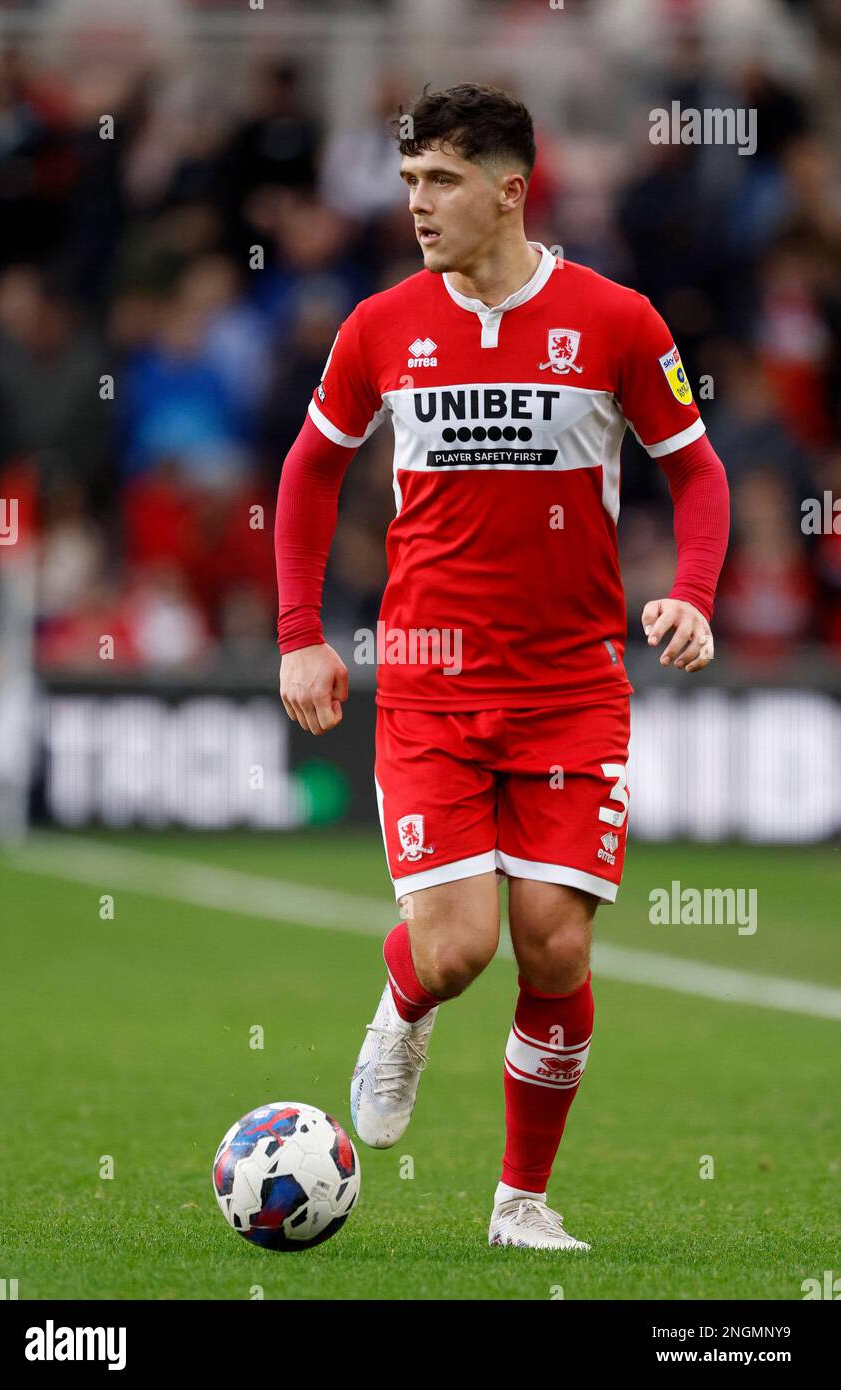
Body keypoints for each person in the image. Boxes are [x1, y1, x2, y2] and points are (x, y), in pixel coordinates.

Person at [275, 84, 729, 1251]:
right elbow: (309, 470)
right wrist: (298, 631)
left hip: (573, 687)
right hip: (427, 681)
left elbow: (699, 470)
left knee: (554, 941)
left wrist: (689, 590)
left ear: (510, 189)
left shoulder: (616, 320)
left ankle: (519, 1203)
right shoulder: (379, 326)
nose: (415, 203)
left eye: (440, 181)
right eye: (408, 180)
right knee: (457, 947)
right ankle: (405, 1001)